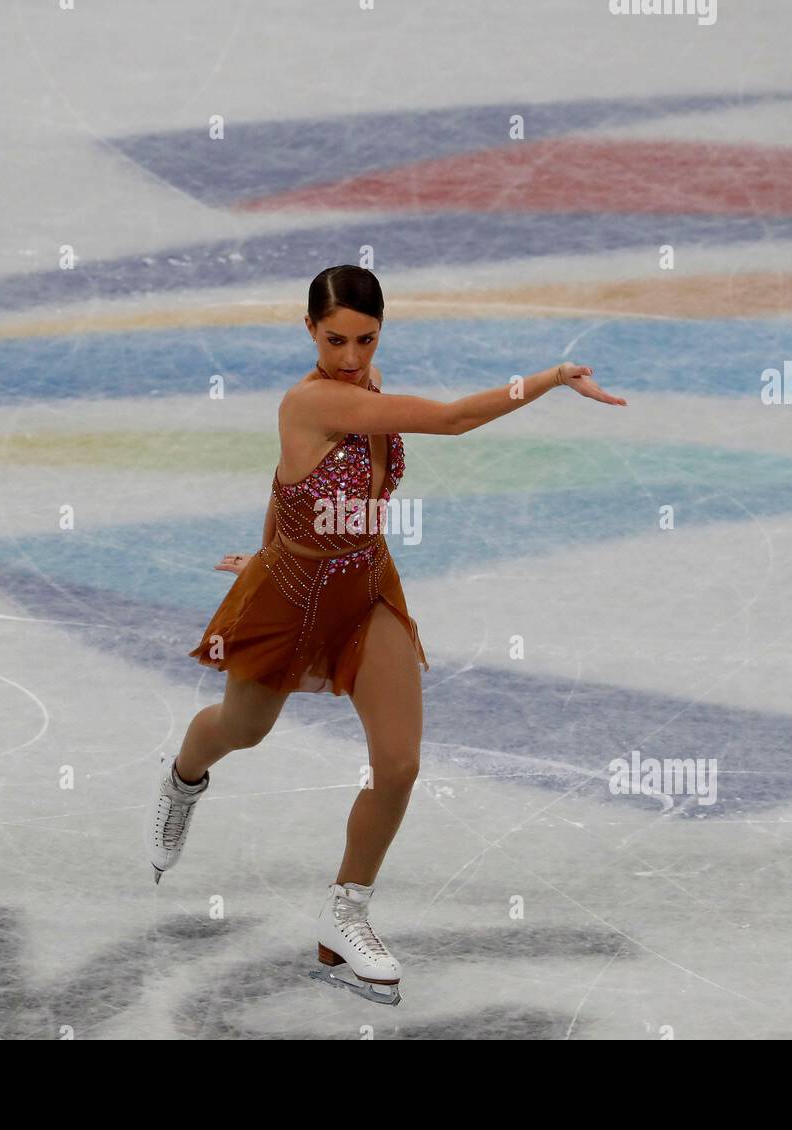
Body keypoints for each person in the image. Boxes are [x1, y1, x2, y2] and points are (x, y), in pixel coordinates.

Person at [147, 265, 627, 1004]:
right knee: (242, 730)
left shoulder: (370, 386)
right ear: (309, 330)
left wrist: (269, 540)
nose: (350, 356)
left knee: (398, 764)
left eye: (365, 339)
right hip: (292, 599)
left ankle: (346, 913)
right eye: (335, 339)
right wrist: (555, 376)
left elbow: (285, 484)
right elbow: (455, 420)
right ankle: (183, 780)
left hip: (367, 587)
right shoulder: (310, 400)